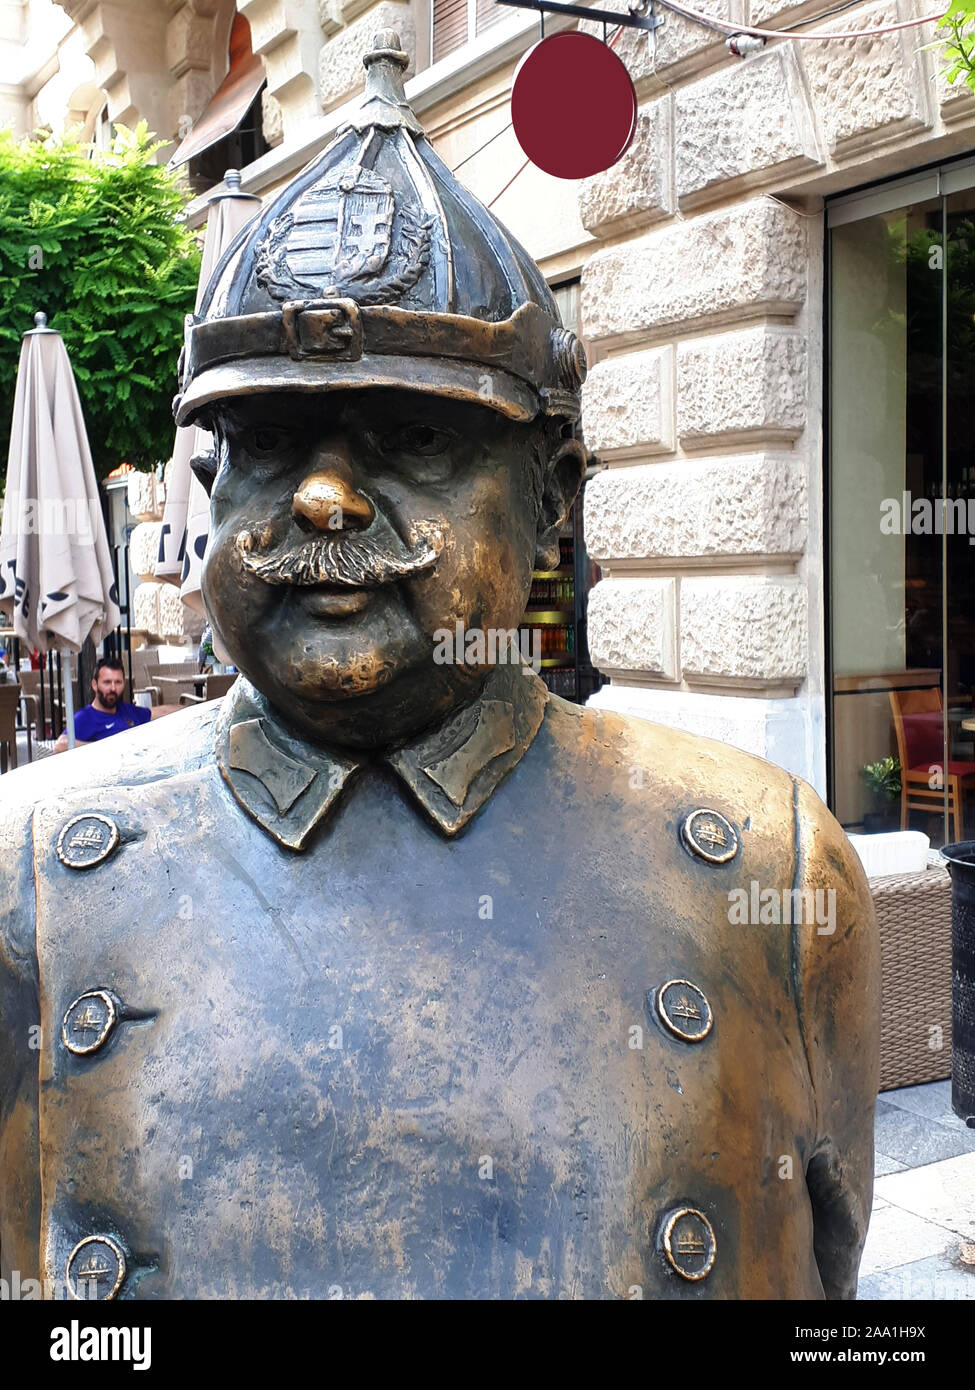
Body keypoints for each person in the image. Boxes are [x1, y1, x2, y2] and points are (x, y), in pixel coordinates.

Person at [0, 32, 879, 1301]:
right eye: (266, 438)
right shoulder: (31, 873)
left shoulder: (764, 860)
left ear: (552, 500)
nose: (319, 497)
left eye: (411, 437)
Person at [51, 656, 178, 752]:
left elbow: (161, 712)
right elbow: (60, 746)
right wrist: (106, 750)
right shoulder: (85, 717)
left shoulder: (128, 710)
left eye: (118, 682)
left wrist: (195, 708)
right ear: (95, 685)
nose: (113, 688)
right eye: (107, 682)